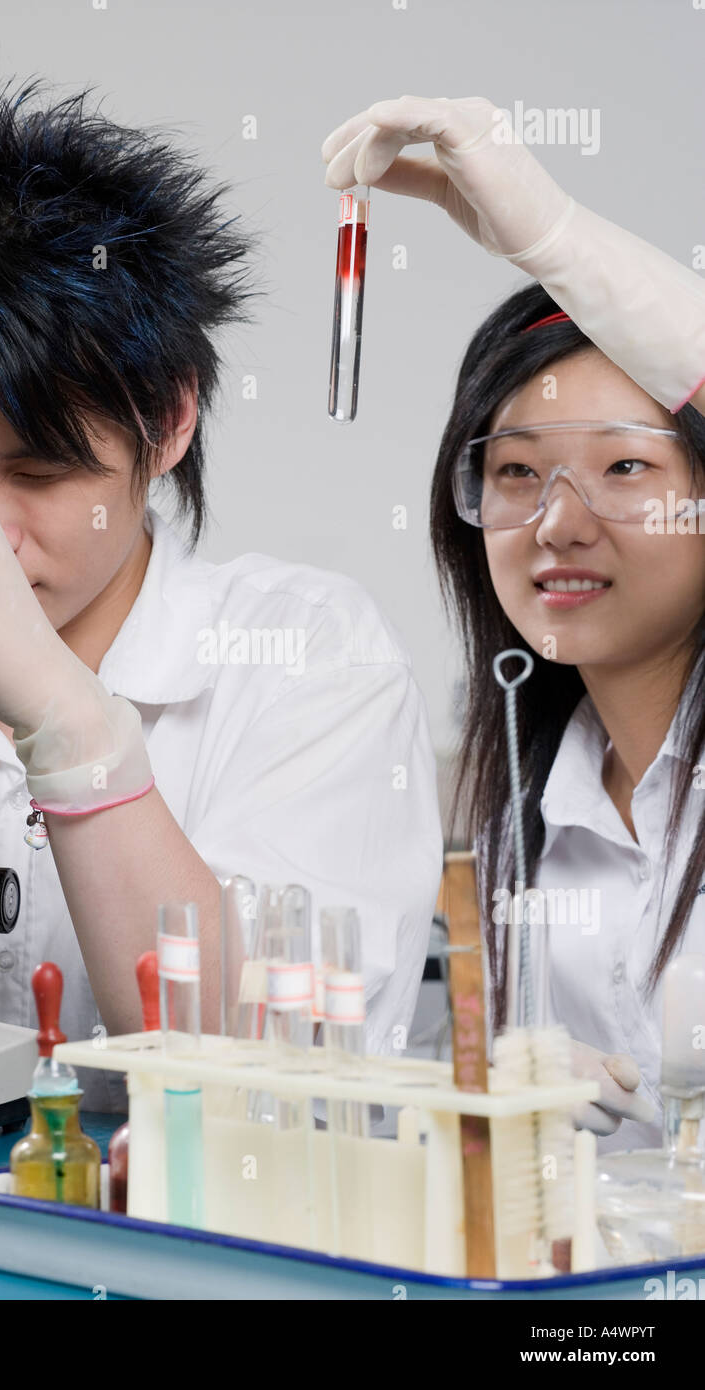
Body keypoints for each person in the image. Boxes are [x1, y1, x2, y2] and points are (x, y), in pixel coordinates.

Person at [0, 75, 443, 1109]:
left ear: (168, 419)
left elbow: (281, 1083)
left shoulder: (311, 655)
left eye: (41, 473)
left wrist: (67, 721)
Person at [323, 93, 705, 1150]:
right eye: (517, 473)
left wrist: (557, 239)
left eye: (624, 466)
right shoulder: (520, 824)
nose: (558, 522)